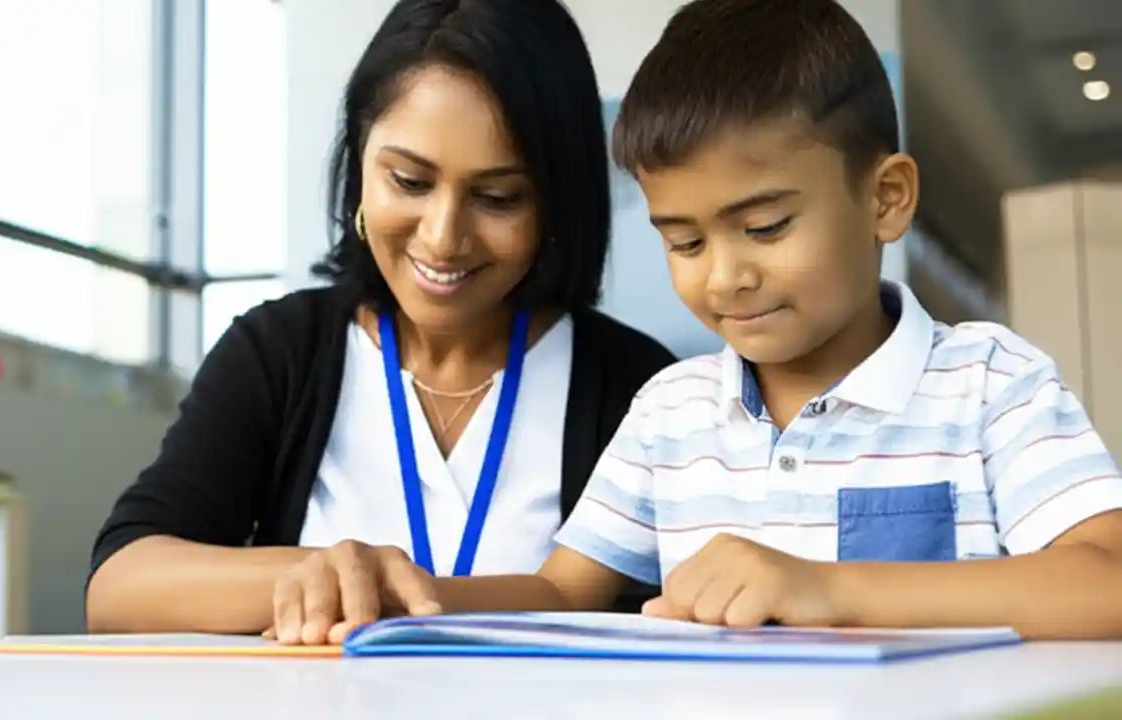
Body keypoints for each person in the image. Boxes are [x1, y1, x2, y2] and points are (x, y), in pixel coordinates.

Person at [271, 0, 1122, 646]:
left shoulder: (990, 383)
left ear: (886, 198)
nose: (725, 277)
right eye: (683, 241)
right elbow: (561, 593)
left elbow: (1107, 581)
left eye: (766, 227)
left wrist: (830, 590)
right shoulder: (670, 412)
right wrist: (398, 592)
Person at [85, 0, 676, 635]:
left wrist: (401, 597)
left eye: (497, 197)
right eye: (410, 182)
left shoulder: (641, 392)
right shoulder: (283, 350)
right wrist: (321, 575)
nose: (443, 238)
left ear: (557, 203)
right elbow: (119, 588)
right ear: (359, 164)